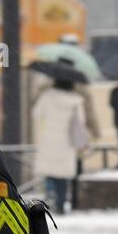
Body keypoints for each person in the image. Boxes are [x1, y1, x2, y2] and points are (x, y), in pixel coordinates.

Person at [30, 72, 88, 214]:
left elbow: (36, 114)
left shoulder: (47, 96)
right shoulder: (76, 100)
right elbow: (80, 121)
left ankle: (50, 198)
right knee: (62, 175)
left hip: (50, 138)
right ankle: (61, 204)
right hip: (66, 141)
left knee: (50, 172)